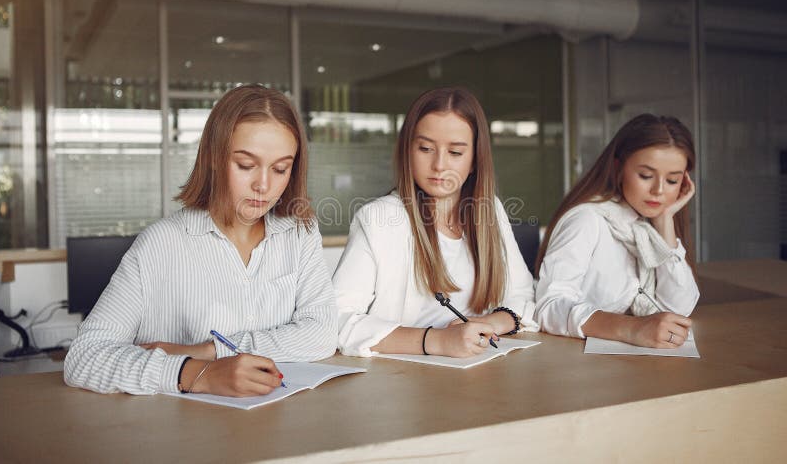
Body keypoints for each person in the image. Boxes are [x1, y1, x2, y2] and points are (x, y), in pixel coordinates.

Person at [64, 85, 337, 396]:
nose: (264, 184)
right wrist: (196, 372)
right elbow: (83, 358)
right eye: (246, 165)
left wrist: (210, 351)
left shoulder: (299, 233)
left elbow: (323, 332)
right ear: (214, 158)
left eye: (280, 169)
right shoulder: (160, 243)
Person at [334, 87, 538, 358]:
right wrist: (438, 341)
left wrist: (488, 323)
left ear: (475, 160)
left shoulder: (491, 212)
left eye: (455, 152)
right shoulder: (379, 219)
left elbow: (524, 297)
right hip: (403, 381)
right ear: (408, 150)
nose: (439, 165)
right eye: (426, 148)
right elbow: (336, 320)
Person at [534, 114, 699, 348]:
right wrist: (631, 328)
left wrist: (665, 222)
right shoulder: (588, 220)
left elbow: (677, 310)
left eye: (672, 180)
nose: (659, 190)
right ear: (618, 168)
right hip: (576, 366)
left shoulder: (650, 225)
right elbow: (548, 307)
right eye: (646, 176)